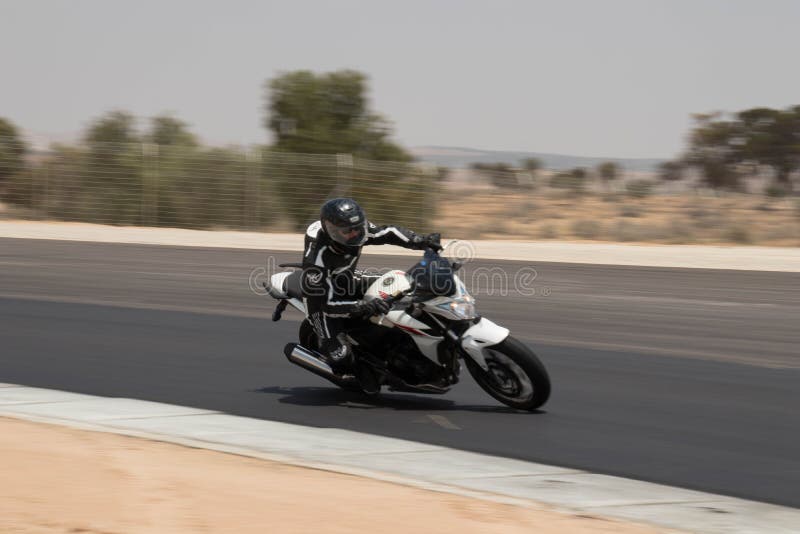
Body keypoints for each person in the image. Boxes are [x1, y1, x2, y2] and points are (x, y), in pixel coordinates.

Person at [301, 197, 441, 371]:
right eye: (348, 231)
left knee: (402, 283)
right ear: (333, 232)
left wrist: (422, 241)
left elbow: (388, 232)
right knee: (342, 357)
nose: (355, 234)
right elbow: (326, 305)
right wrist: (362, 306)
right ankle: (347, 365)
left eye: (357, 227)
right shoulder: (316, 260)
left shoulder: (358, 229)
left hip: (346, 278)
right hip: (321, 301)